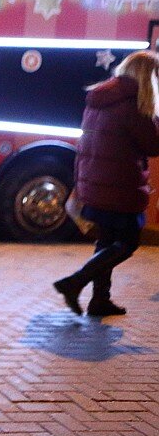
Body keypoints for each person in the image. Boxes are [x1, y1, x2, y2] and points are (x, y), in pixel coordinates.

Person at [54, 50, 159, 317]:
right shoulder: (134, 103)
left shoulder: (101, 96)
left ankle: (100, 300)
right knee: (127, 244)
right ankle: (75, 282)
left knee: (107, 241)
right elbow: (153, 145)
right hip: (119, 186)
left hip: (96, 182)